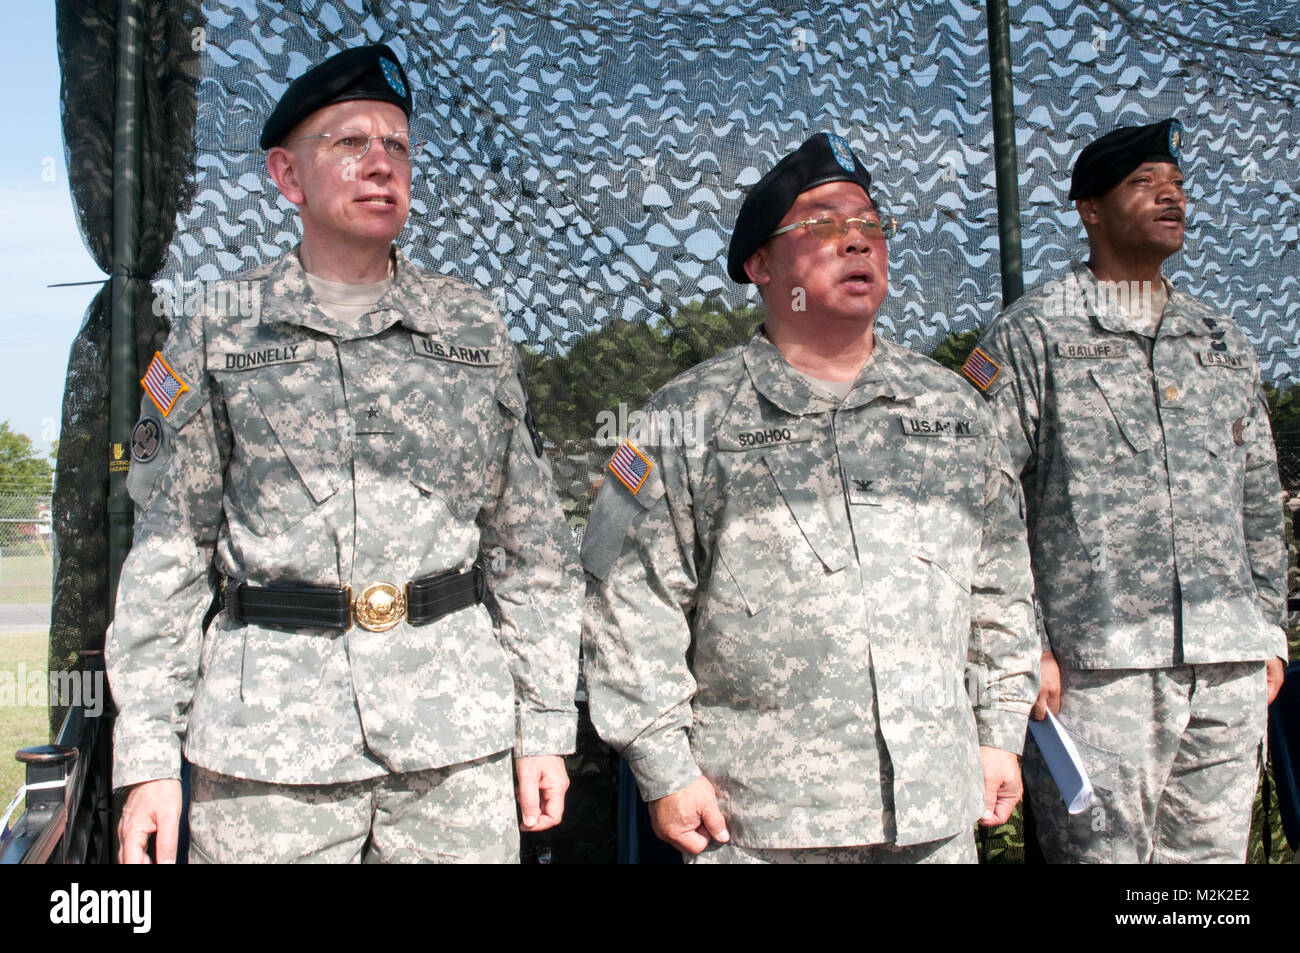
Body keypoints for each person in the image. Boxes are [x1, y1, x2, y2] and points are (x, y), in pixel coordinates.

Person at [106, 44, 582, 863]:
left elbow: (530, 545)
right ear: (287, 176)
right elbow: (169, 553)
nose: (379, 164)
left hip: (454, 748)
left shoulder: (469, 326)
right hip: (269, 760)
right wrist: (147, 757)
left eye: (395, 145)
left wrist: (543, 727)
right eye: (349, 144)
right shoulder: (218, 328)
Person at [580, 133, 1039, 863]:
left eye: (870, 226)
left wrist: (998, 730)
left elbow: (1001, 584)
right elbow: (625, 600)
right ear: (760, 265)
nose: (856, 241)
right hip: (758, 822)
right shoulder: (684, 418)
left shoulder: (955, 409)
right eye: (823, 226)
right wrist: (665, 767)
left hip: (936, 815)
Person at [963, 118, 1288, 863]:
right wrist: (1026, 646)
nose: (1169, 195)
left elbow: (1259, 498)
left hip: (1227, 665)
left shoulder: (1221, 340)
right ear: (1091, 209)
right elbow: (981, 497)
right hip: (1094, 671)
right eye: (1144, 183)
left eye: (1175, 184)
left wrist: (1267, 630)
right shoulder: (1028, 336)